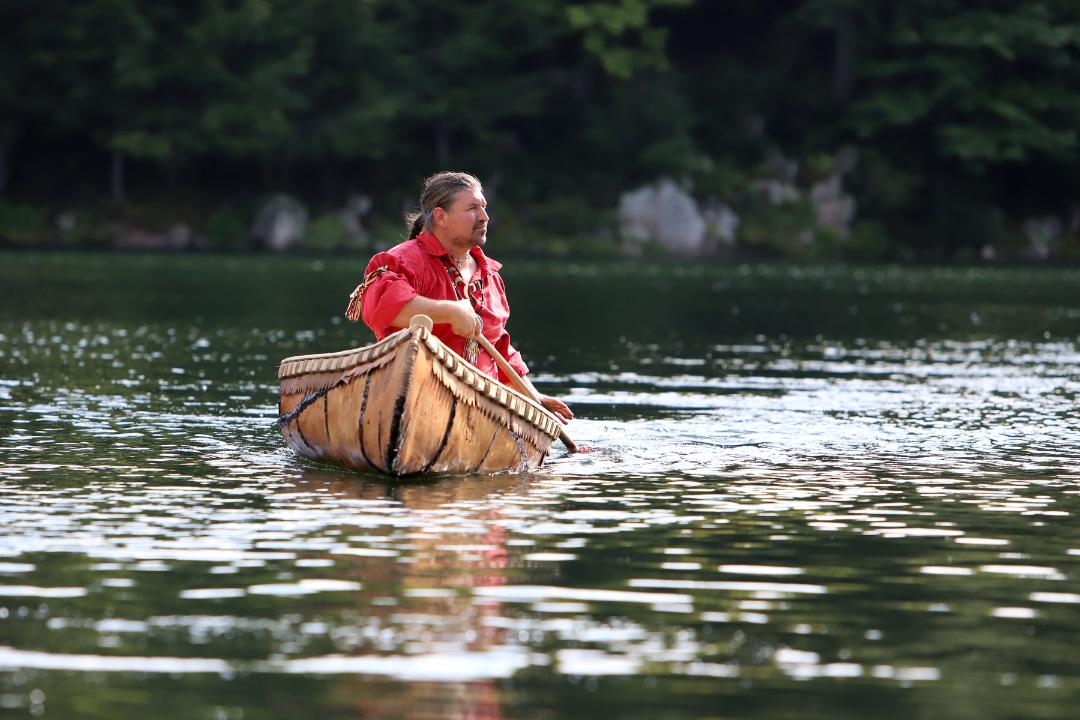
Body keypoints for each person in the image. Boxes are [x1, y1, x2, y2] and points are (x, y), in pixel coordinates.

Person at [345, 171, 573, 424]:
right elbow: (379, 309)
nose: (485, 217)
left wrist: (533, 397)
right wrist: (451, 312)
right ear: (441, 216)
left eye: (484, 208)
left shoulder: (491, 277)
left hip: (481, 412)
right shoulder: (405, 260)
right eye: (473, 208)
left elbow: (498, 350)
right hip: (412, 402)